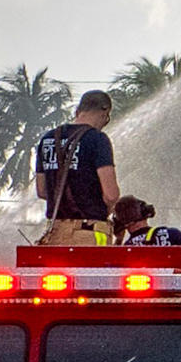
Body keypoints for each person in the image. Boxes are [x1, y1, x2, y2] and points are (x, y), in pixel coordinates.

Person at [31, 90, 115, 246]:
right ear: (105, 112)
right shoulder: (97, 139)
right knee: (93, 271)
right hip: (89, 234)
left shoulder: (48, 139)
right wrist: (108, 208)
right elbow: (110, 194)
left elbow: (42, 191)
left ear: (78, 111)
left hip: (55, 233)